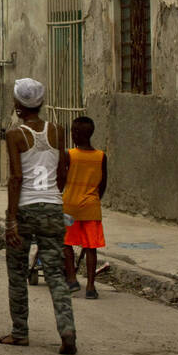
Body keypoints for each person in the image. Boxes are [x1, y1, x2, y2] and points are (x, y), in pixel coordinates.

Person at [2, 78, 77, 355]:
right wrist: (53, 197)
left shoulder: (15, 135)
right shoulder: (57, 130)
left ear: (18, 105)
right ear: (40, 103)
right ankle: (67, 329)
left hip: (24, 208)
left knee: (17, 273)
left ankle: (20, 331)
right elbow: (63, 172)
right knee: (56, 273)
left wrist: (11, 219)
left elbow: (15, 178)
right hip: (53, 207)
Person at [58, 115, 108, 300]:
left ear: (75, 134)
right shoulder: (101, 156)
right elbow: (103, 184)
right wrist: (94, 199)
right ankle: (91, 287)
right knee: (91, 247)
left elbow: (61, 180)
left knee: (66, 243)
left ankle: (71, 279)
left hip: (70, 206)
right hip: (91, 207)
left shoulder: (69, 155)